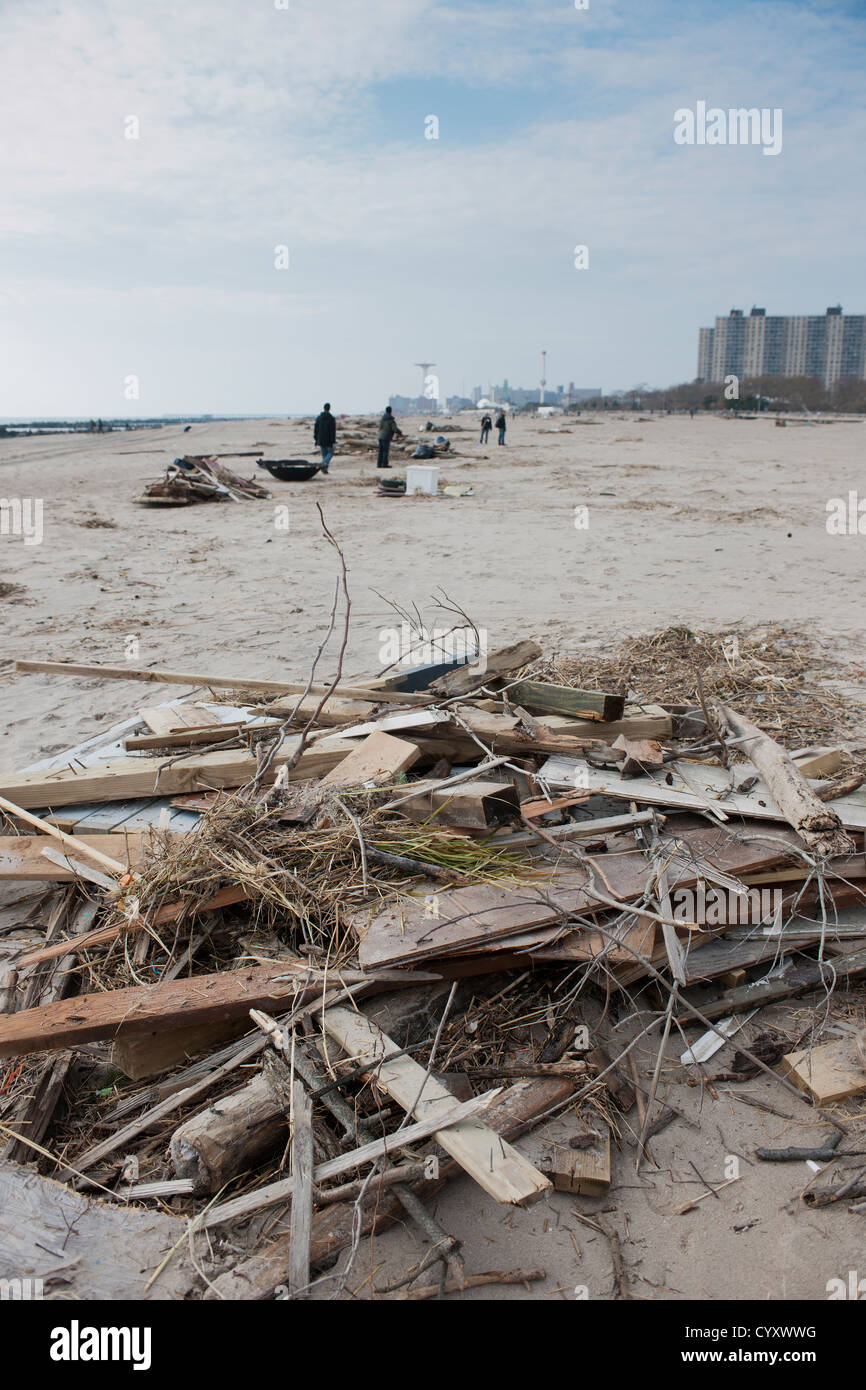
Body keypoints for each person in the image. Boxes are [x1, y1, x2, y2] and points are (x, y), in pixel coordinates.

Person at [314, 402, 336, 474]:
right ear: (329, 408)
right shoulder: (331, 418)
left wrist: (316, 439)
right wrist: (333, 441)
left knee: (324, 455)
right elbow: (332, 431)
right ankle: (322, 464)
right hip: (329, 440)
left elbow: (316, 429)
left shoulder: (319, 418)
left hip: (321, 439)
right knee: (330, 453)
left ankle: (325, 469)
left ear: (324, 408)